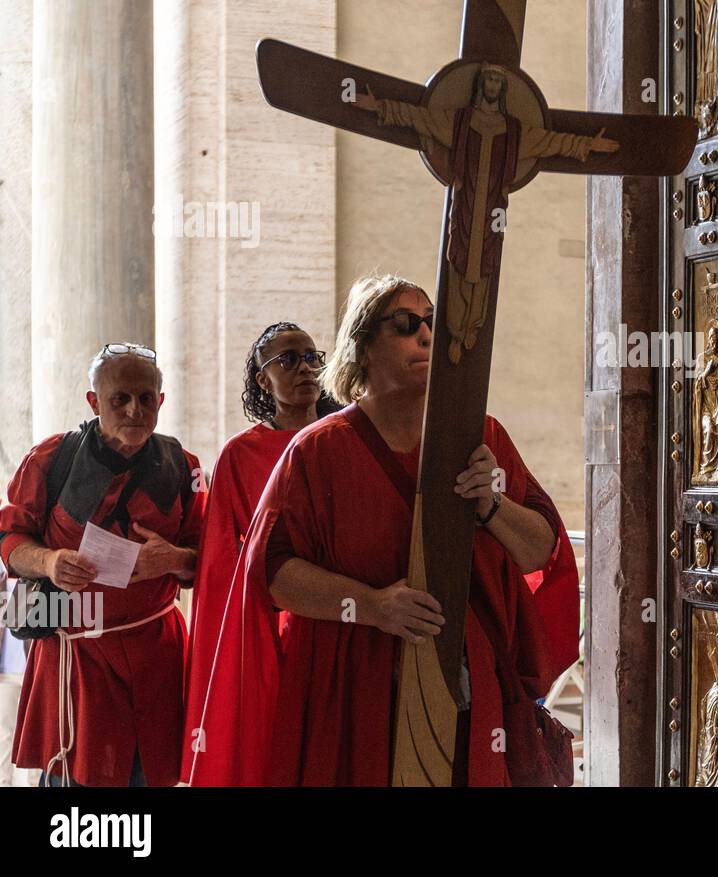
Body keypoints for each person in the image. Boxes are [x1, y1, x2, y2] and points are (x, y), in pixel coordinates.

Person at [207, 274, 578, 785]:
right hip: (354, 677)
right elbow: (272, 573)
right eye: (405, 325)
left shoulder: (482, 433)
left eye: (432, 324)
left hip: (469, 678)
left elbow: (541, 552)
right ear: (361, 347)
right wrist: (373, 605)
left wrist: (491, 506)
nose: (426, 336)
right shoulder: (318, 451)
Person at [0, 343, 204, 786]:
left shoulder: (185, 468)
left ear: (161, 401)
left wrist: (176, 559)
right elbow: (10, 537)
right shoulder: (51, 459)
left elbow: (209, 558)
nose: (135, 410)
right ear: (94, 401)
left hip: (156, 654)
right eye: (120, 399)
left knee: (151, 778)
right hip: (76, 653)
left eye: (146, 398)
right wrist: (49, 561)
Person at [181, 323, 340, 786]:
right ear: (261, 380)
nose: (305, 368)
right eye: (287, 360)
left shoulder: (347, 436)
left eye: (312, 357)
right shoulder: (240, 454)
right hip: (271, 627)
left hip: (347, 616)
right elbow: (222, 567)